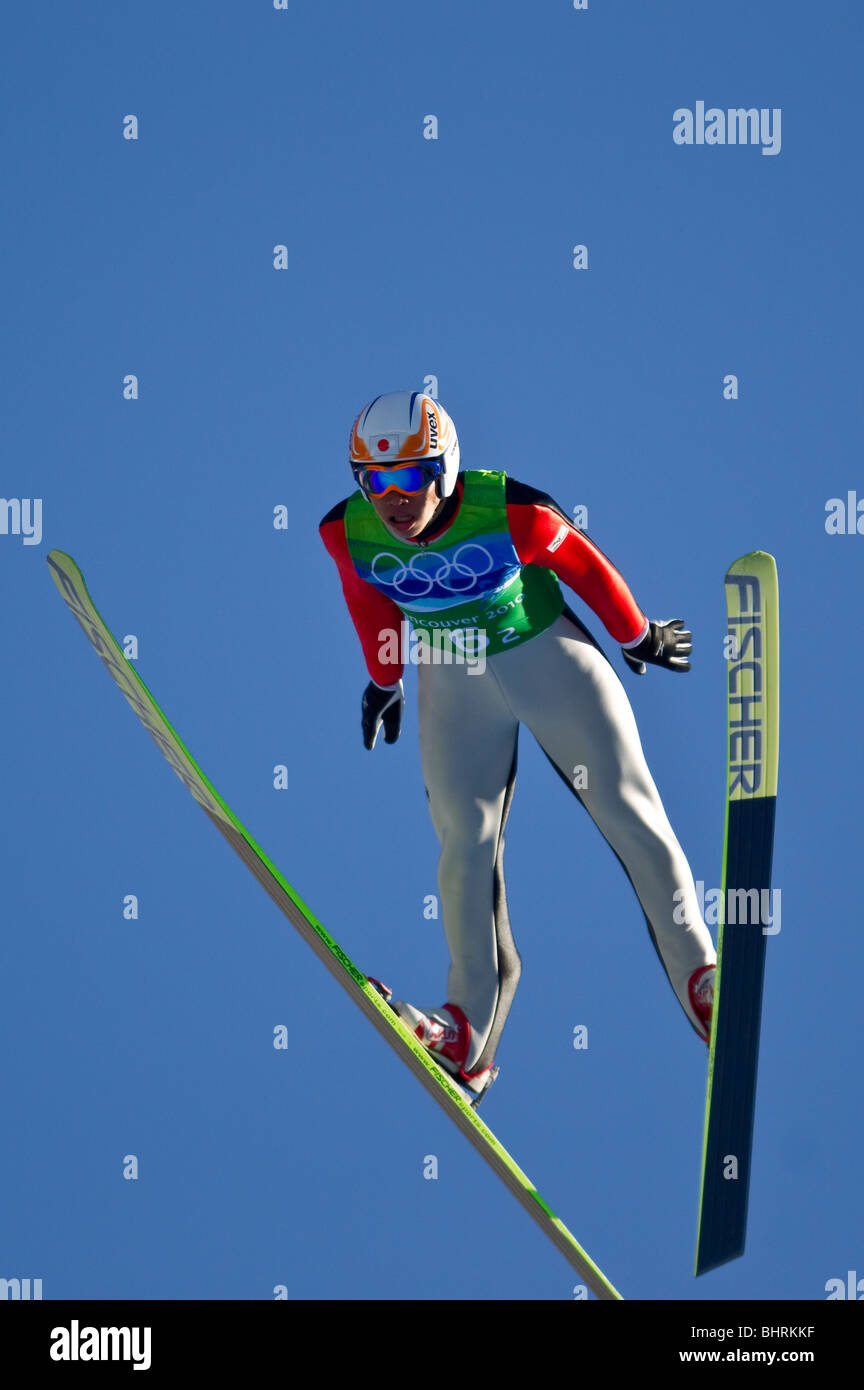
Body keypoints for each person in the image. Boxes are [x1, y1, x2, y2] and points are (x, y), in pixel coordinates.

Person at [320, 390, 716, 1102]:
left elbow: (584, 566)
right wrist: (385, 681)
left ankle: (704, 980)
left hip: (547, 660)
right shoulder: (346, 533)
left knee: (629, 813)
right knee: (463, 846)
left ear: (445, 470)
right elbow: (369, 599)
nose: (393, 498)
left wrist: (638, 634)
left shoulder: (514, 512)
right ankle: (465, 1038)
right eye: (374, 481)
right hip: (453, 679)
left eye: (410, 477)